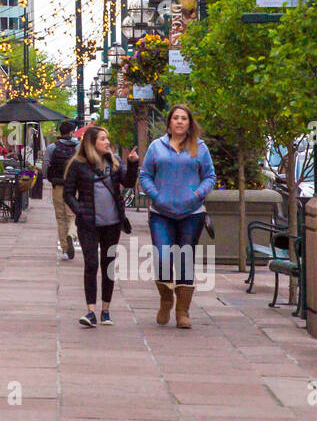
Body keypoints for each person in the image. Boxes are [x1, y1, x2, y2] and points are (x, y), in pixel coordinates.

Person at [139, 104, 216, 329]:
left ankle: (183, 311)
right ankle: (166, 299)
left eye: (184, 118)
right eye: (176, 118)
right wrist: (155, 195)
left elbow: (210, 176)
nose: (180, 122)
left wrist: (198, 194)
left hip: (191, 213)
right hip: (160, 213)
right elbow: (145, 175)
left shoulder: (199, 148)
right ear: (169, 123)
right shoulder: (156, 147)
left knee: (185, 259)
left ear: (190, 123)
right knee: (163, 256)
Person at [63, 125, 140, 328]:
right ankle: (91, 312)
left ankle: (105, 310)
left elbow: (129, 183)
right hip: (89, 224)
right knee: (91, 264)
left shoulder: (114, 163)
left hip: (112, 223)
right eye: (103, 139)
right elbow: (68, 193)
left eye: (107, 139)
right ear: (92, 143)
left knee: (108, 265)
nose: (107, 142)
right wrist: (81, 211)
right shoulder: (78, 165)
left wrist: (133, 164)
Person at [43, 120, 80, 260]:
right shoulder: (79, 146)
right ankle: (71, 234)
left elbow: (46, 165)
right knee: (72, 215)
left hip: (58, 186)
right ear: (72, 132)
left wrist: (48, 177)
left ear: (60, 132)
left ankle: (65, 248)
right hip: (73, 186)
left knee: (60, 217)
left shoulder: (52, 147)